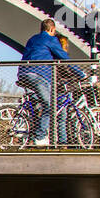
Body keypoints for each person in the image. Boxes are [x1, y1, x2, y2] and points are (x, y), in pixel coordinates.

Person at [17, 18, 84, 146]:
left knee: (45, 102)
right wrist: (80, 73)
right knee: (50, 106)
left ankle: (37, 129)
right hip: (37, 75)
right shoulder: (51, 39)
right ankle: (40, 137)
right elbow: (64, 58)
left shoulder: (33, 39)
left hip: (23, 73)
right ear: (52, 29)